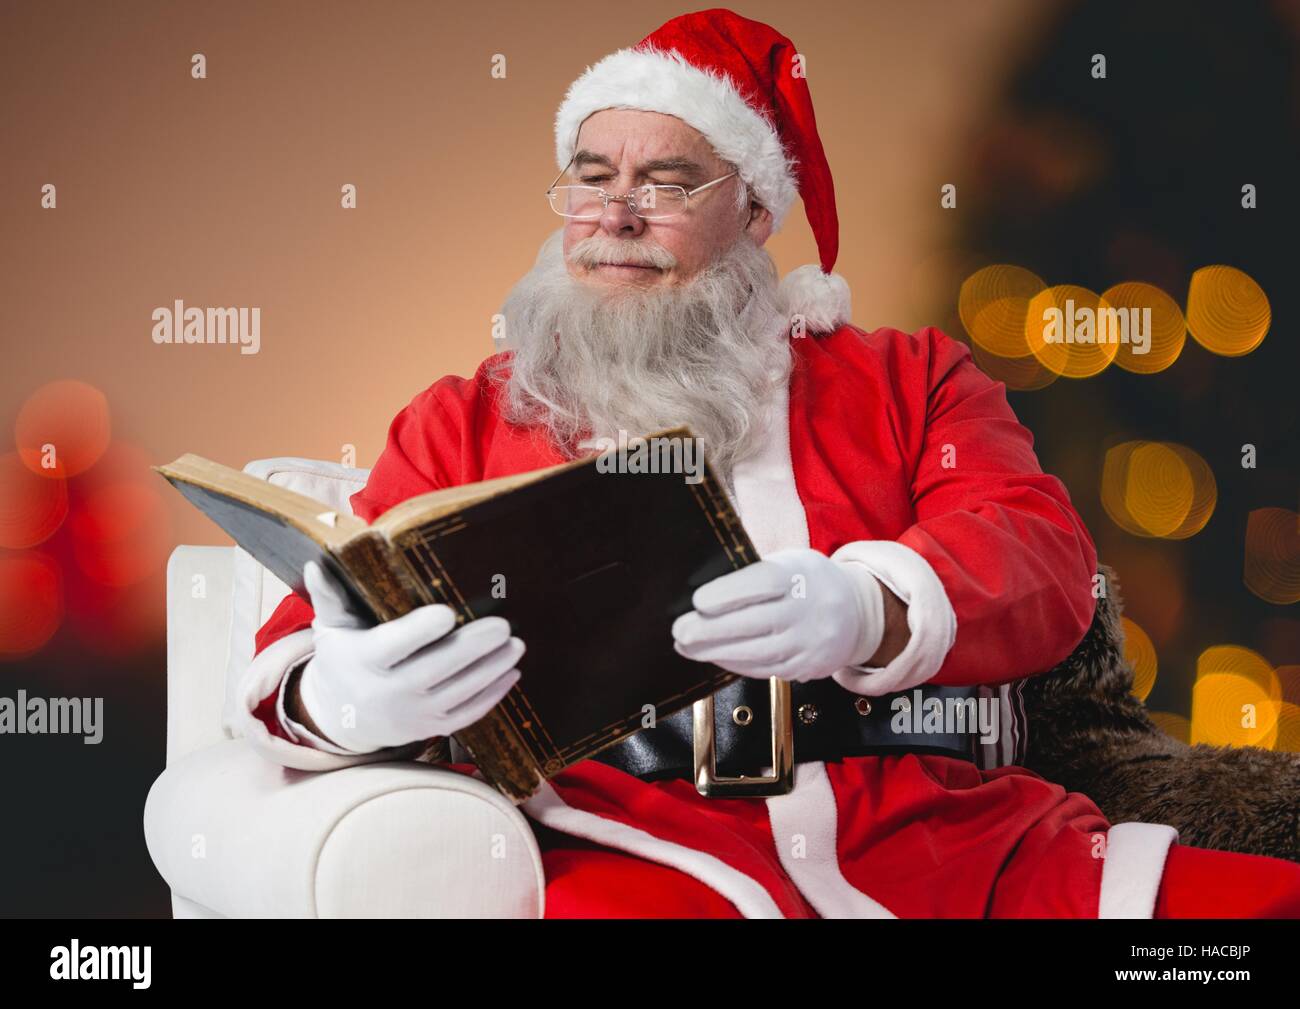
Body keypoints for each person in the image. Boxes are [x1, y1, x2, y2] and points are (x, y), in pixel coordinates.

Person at [232, 8, 1300, 918]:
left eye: (666, 182)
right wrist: (347, 698)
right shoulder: (462, 419)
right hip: (628, 854)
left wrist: (870, 603)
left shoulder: (906, 380)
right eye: (591, 177)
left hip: (964, 849)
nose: (614, 215)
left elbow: (1038, 554)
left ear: (751, 210)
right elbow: (300, 639)